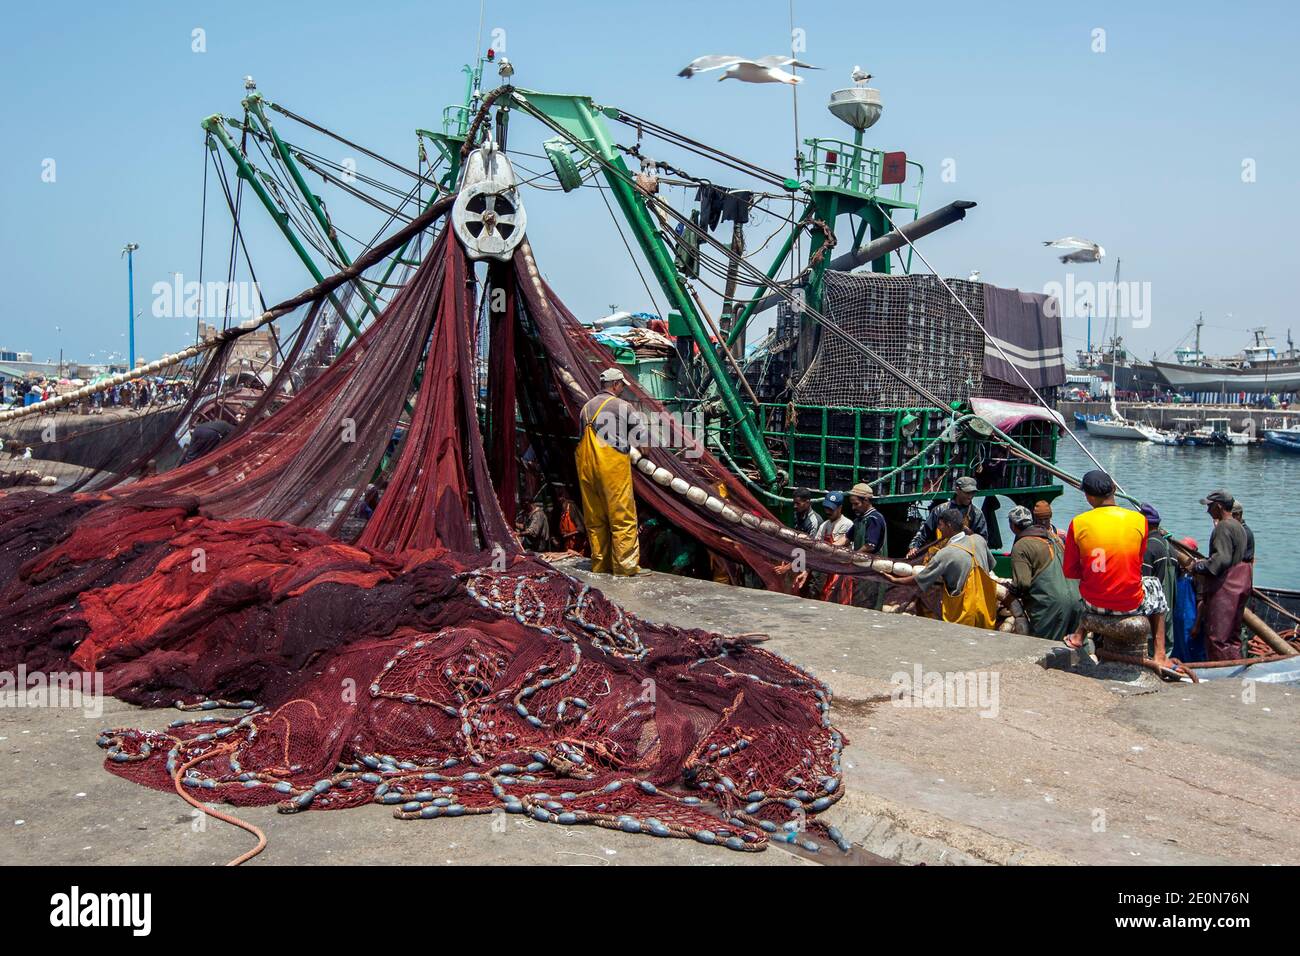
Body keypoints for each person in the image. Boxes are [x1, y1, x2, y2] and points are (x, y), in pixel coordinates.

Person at [1061, 470, 1168, 661]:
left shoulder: (1077, 523)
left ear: (1088, 497)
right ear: (1114, 489)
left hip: (1093, 604)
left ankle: (1079, 635)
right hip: (1130, 604)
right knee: (1154, 584)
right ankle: (1160, 653)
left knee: (1094, 581)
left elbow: (1070, 571)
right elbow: (1137, 562)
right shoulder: (1140, 520)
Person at [575, 367, 642, 576]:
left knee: (595, 518)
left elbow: (581, 439)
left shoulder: (585, 408)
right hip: (611, 466)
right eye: (621, 385)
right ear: (615, 385)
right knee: (622, 516)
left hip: (586, 467)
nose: (622, 389)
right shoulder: (623, 406)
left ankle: (600, 564)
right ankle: (625, 566)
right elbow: (642, 439)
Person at [887, 506, 997, 628]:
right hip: (986, 609)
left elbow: (920, 580)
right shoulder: (979, 540)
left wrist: (894, 580)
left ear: (949, 526)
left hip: (964, 613)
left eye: (940, 525)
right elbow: (990, 565)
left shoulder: (945, 553)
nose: (939, 529)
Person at [1191, 490, 1251, 661]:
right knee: (1232, 635)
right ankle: (1235, 667)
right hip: (1239, 585)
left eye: (1209, 506)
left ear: (1218, 507)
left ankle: (1222, 675)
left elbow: (1221, 560)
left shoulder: (1223, 527)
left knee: (1218, 636)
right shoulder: (1239, 526)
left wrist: (1198, 565)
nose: (1207, 510)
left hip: (1225, 587)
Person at [1007, 505, 1080, 641]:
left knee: (1044, 648)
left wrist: (1011, 589)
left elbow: (1022, 583)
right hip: (1077, 601)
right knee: (1077, 648)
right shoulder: (1055, 538)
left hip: (1051, 606)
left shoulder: (1021, 545)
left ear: (1013, 526)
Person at [906, 476, 988, 560]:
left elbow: (983, 542)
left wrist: (970, 534)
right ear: (957, 490)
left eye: (973, 493)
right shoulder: (939, 510)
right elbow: (924, 533)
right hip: (938, 556)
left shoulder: (977, 514)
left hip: (964, 558)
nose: (970, 496)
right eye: (967, 493)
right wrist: (914, 547)